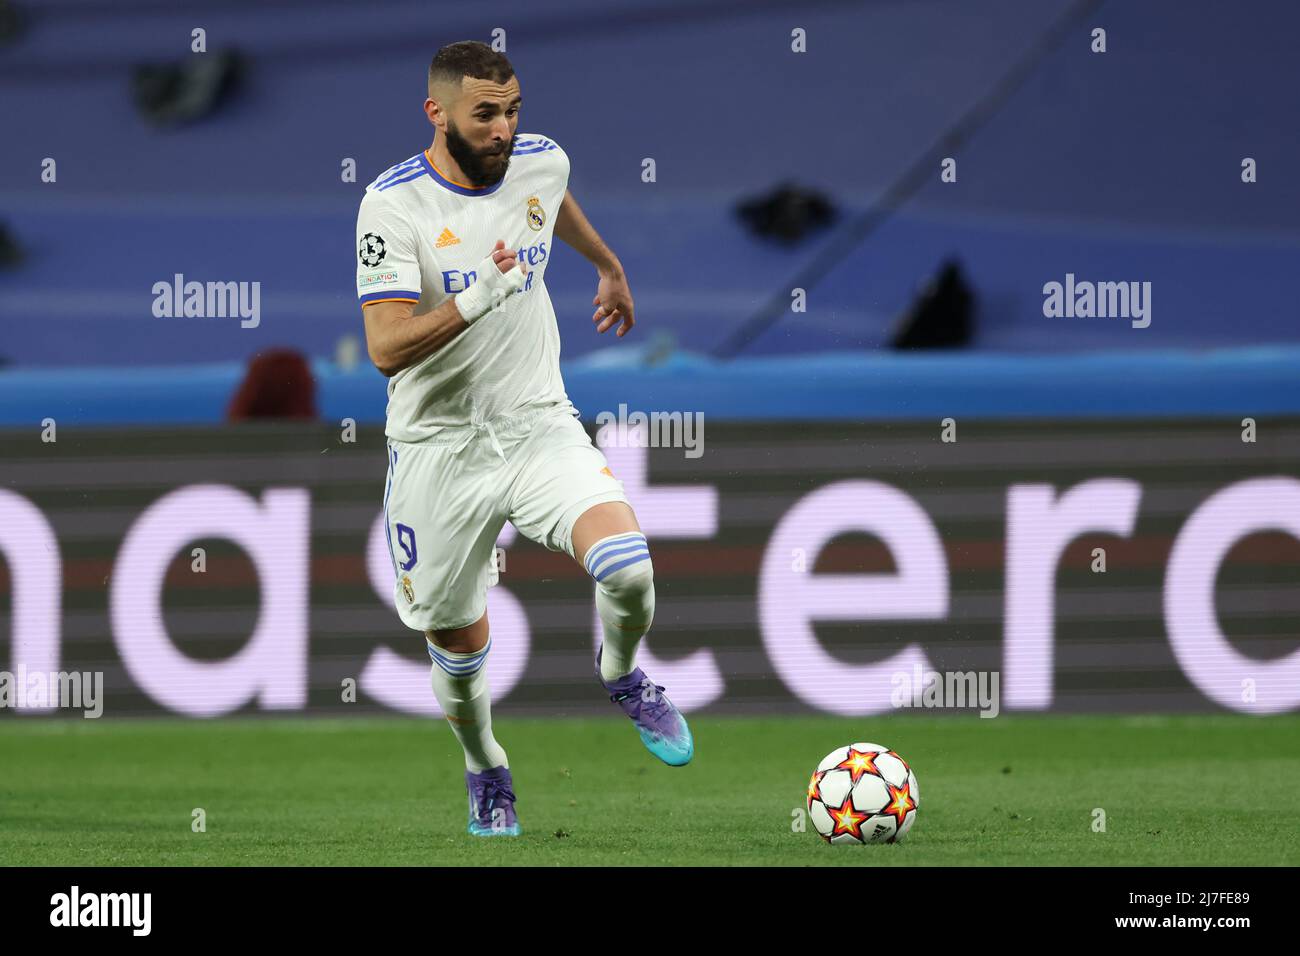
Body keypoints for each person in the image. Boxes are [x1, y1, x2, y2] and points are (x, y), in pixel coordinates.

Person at [356, 41, 693, 838]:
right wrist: (475, 299)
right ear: (436, 113)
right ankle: (485, 766)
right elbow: (384, 347)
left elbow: (551, 197)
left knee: (629, 567)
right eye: (486, 114)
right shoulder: (393, 206)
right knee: (458, 648)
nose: (504, 129)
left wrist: (606, 265)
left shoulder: (540, 161)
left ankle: (621, 674)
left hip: (536, 420)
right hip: (438, 447)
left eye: (513, 111)